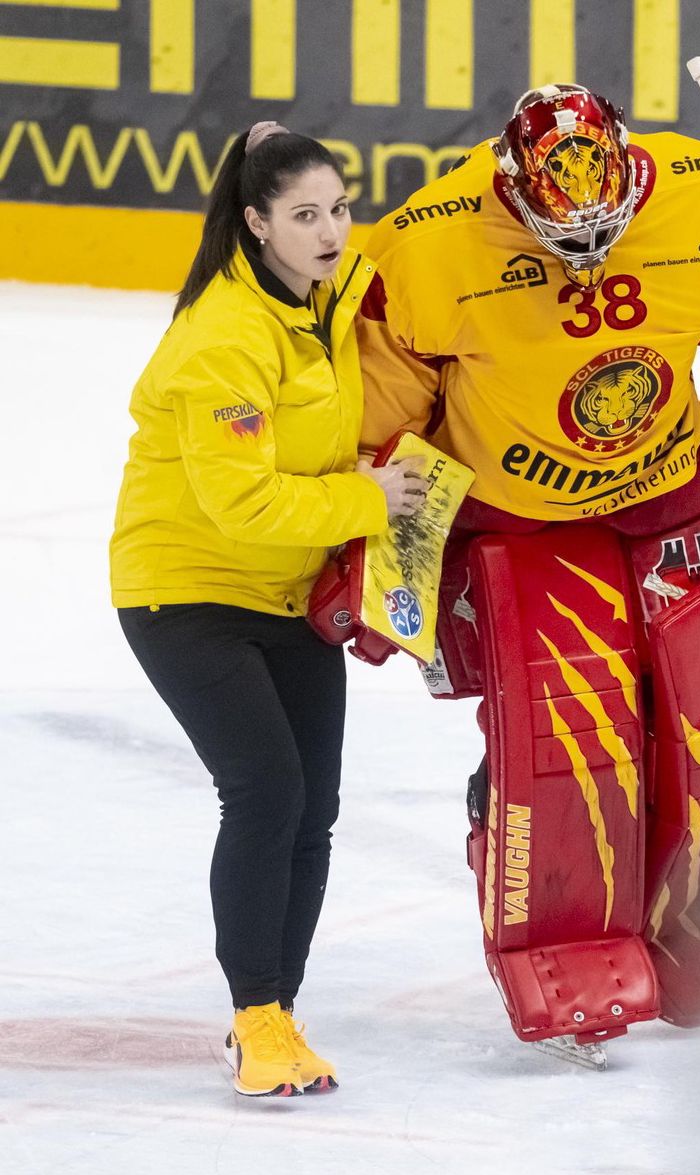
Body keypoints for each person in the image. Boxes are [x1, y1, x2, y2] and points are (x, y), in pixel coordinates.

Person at [351, 83, 700, 1067]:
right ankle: (554, 925)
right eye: (564, 239)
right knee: (560, 742)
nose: (588, 257)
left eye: (604, 233)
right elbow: (383, 420)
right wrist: (382, 553)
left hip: (671, 500)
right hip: (520, 526)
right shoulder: (426, 248)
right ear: (512, 186)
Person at [109, 120, 428, 1096]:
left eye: (337, 208)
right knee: (266, 791)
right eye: (303, 215)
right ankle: (256, 1018)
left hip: (288, 590)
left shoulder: (317, 295)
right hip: (187, 591)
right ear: (255, 224)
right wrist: (371, 499)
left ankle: (274, 1012)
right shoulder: (224, 338)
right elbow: (241, 504)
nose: (332, 230)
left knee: (313, 808)